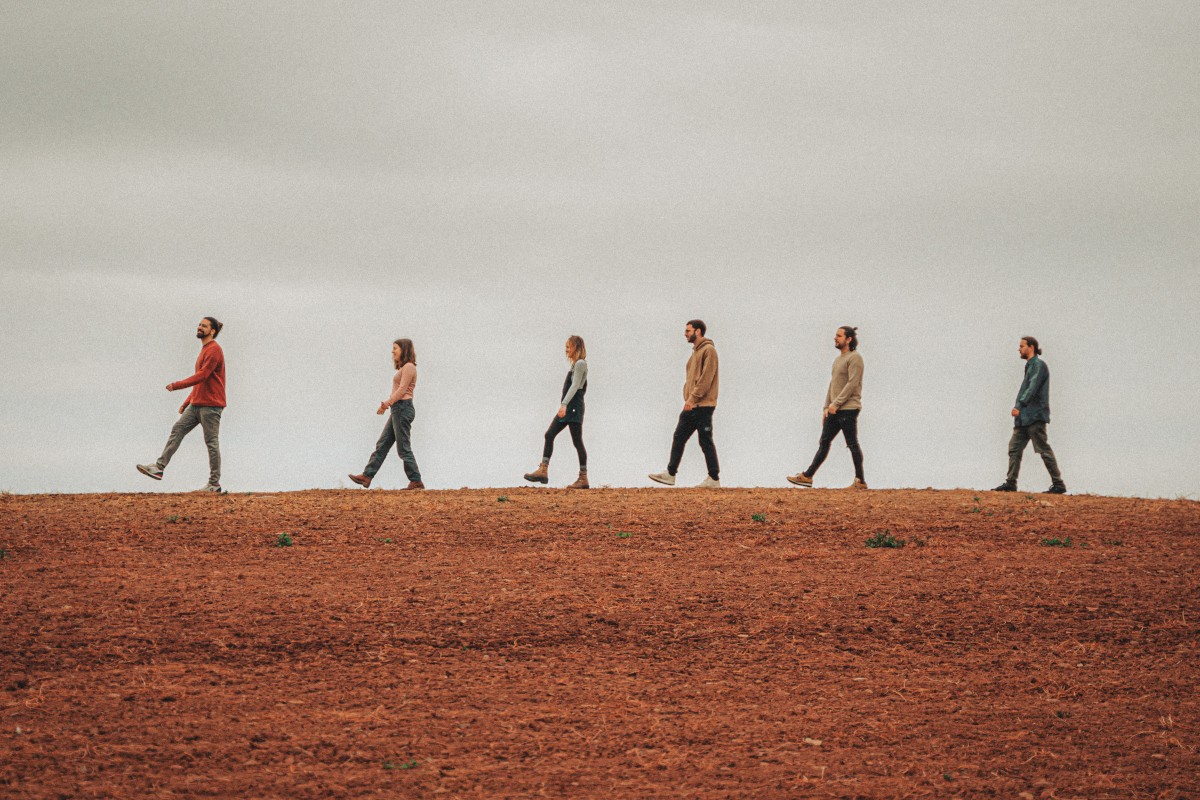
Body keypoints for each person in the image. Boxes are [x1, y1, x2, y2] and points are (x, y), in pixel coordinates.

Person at [137, 317, 227, 492]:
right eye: (199, 325)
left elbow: (203, 376)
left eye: (204, 326)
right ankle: (159, 468)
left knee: (211, 442)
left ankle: (214, 484)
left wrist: (177, 386)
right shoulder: (204, 350)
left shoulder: (214, 350)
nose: (200, 327)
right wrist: (187, 402)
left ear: (212, 331)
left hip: (211, 405)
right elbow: (202, 381)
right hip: (197, 404)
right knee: (177, 429)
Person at [788, 326, 866, 489]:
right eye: (835, 336)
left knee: (852, 443)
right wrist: (826, 406)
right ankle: (807, 476)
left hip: (848, 408)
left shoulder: (855, 358)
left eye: (839, 336)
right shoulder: (838, 360)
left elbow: (852, 383)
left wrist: (836, 404)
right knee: (824, 442)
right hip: (834, 409)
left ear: (849, 339)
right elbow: (833, 384)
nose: (835, 338)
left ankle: (860, 481)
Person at [649, 319, 721, 488]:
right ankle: (670, 474)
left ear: (698, 331)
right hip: (692, 404)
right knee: (679, 436)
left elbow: (706, 379)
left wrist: (692, 398)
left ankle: (714, 478)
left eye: (688, 331)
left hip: (703, 405)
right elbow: (691, 379)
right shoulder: (695, 353)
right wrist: (687, 395)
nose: (685, 334)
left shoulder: (709, 351)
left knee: (705, 440)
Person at [349, 339, 425, 490]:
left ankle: (416, 480)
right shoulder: (404, 368)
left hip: (403, 408)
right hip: (398, 409)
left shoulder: (409, 367)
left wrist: (387, 403)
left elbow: (402, 389)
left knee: (403, 448)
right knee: (383, 444)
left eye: (395, 348)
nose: (392, 351)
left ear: (404, 349)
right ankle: (367, 475)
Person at [993, 336, 1066, 494]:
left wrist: (1019, 405)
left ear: (1031, 347)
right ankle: (1011, 482)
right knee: (1014, 448)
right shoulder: (1030, 366)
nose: (1019, 349)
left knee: (1043, 449)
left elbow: (1032, 387)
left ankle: (1058, 484)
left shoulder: (1038, 366)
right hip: (1023, 418)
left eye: (1021, 346)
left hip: (1034, 416)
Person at [524, 335, 589, 489]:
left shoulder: (580, 364)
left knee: (577, 441)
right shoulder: (575, 365)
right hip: (570, 407)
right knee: (550, 434)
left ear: (576, 348)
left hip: (573, 407)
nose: (566, 349)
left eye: (568, 346)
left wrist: (564, 405)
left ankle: (583, 477)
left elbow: (575, 386)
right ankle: (543, 470)